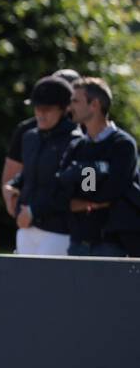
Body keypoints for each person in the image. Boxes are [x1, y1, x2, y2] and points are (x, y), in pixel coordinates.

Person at [56, 78, 140, 257]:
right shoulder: (77, 146)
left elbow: (112, 191)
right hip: (78, 242)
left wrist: (83, 188)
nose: (70, 107)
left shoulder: (122, 145)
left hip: (112, 244)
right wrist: (91, 190)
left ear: (94, 104)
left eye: (76, 101)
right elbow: (60, 191)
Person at [3, 76, 79, 255]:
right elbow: (28, 175)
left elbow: (68, 188)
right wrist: (11, 186)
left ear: (64, 109)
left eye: (47, 109)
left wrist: (34, 210)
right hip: (26, 227)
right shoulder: (30, 137)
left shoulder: (76, 141)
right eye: (37, 108)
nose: (40, 114)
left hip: (58, 231)